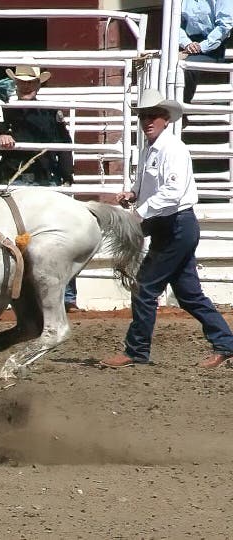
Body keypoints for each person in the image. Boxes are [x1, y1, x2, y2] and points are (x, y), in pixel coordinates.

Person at [102, 88, 233, 369]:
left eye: (153, 116)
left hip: (174, 225)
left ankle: (136, 351)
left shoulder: (171, 148)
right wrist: (133, 194)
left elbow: (172, 192)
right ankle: (225, 343)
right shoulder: (154, 148)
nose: (147, 121)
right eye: (144, 116)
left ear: (165, 119)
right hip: (174, 226)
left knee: (145, 287)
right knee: (189, 295)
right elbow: (151, 185)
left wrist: (138, 213)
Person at [0, 59, 81, 311]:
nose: (26, 86)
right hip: (17, 179)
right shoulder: (4, 110)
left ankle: (67, 297)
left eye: (31, 82)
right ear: (16, 83)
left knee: (56, 237)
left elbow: (64, 144)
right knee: (14, 236)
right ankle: (14, 295)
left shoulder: (49, 111)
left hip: (44, 178)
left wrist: (66, 175)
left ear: (38, 84)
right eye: (22, 82)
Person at [179, 0, 233, 103]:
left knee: (186, 68)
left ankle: (180, 111)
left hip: (212, 48)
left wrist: (201, 46)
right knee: (163, 64)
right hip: (186, 45)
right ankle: (163, 112)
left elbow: (225, 25)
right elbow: (175, 23)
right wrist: (187, 43)